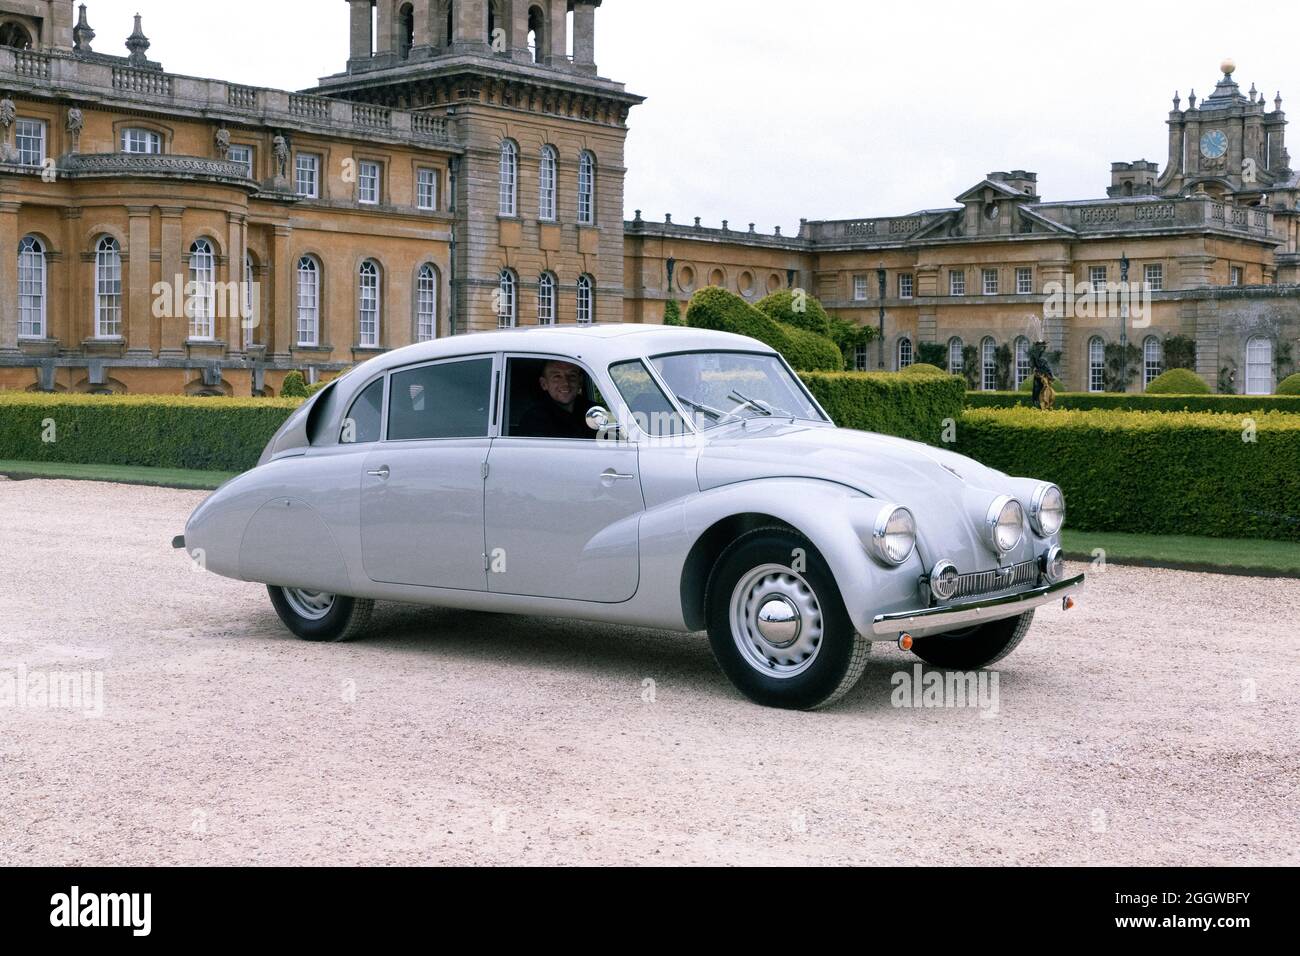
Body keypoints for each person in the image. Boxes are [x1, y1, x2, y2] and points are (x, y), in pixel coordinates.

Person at [516, 360, 598, 439]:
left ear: (580, 382)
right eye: (557, 376)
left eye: (572, 376)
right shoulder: (533, 420)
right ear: (544, 384)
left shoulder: (596, 412)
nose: (565, 383)